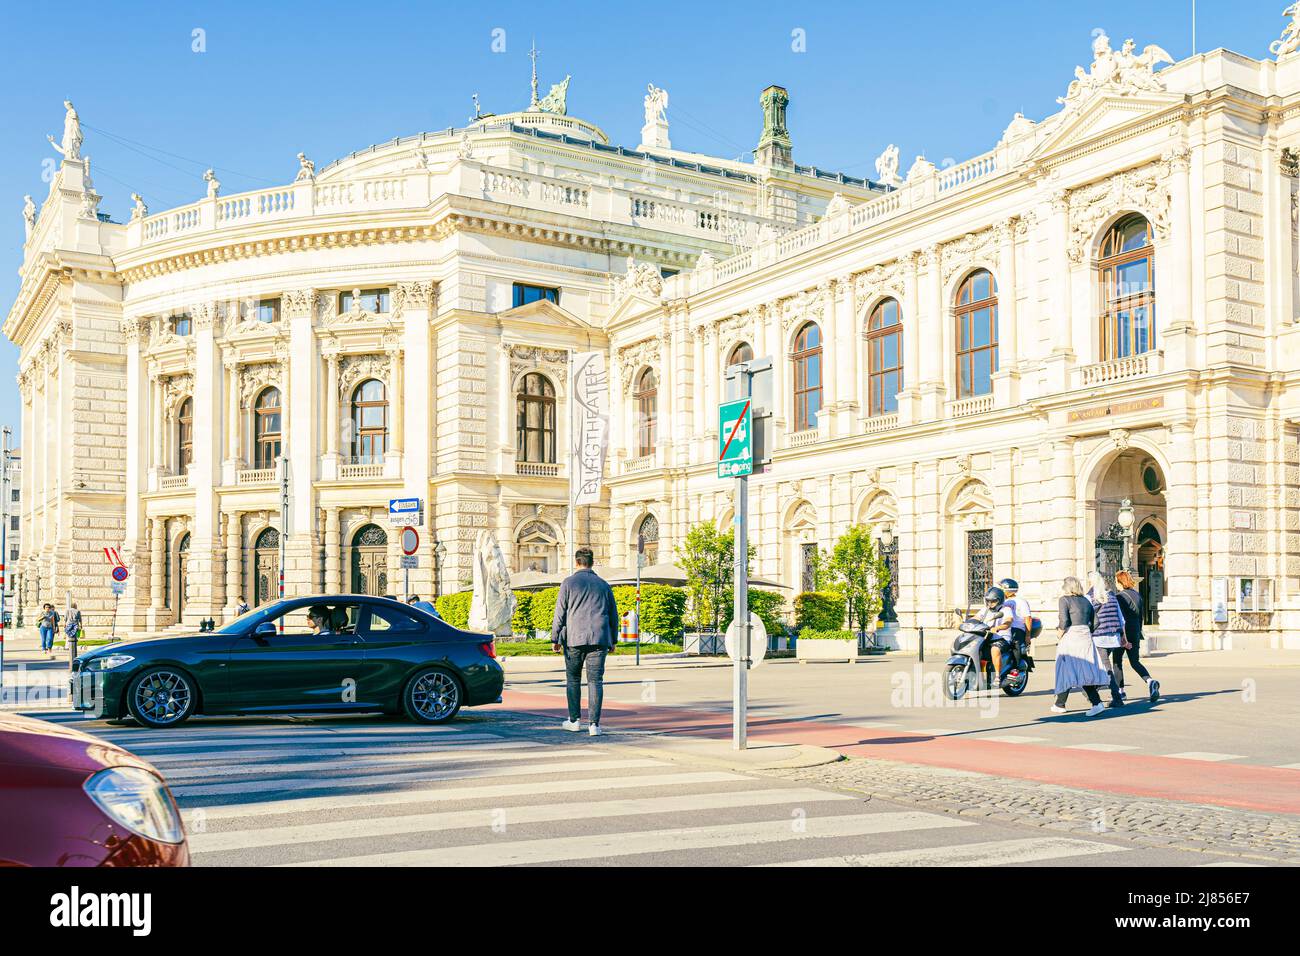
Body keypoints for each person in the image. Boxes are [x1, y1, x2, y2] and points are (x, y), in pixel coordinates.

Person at [551, 547, 619, 736]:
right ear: (592, 562)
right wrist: (613, 639)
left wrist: (555, 637)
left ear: (576, 562)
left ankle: (574, 721)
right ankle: (594, 725)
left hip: (574, 639)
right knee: (595, 681)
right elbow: (613, 615)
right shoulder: (604, 585)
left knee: (573, 679)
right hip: (599, 639)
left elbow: (560, 612)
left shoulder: (568, 583)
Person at [1052, 576, 1111, 716]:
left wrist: (1059, 633)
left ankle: (1096, 703)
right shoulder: (1086, 600)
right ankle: (1059, 703)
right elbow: (1096, 622)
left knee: (1066, 668)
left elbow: (1064, 620)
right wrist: (1087, 631)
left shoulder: (1064, 600)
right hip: (1086, 637)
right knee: (1082, 670)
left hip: (1071, 636)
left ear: (1067, 587)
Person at [1114, 569, 1160, 702]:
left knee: (1117, 662)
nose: (1116, 583)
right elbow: (1140, 617)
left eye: (1116, 581)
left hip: (1124, 632)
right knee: (1134, 662)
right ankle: (1150, 681)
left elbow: (1120, 618)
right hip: (1135, 631)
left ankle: (1121, 692)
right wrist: (1138, 632)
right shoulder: (1137, 595)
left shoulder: (1119, 597)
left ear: (1120, 581)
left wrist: (1122, 636)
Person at [1088, 572, 1127, 708]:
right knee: (1101, 665)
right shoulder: (1111, 596)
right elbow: (1121, 619)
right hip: (1113, 637)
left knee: (1106, 667)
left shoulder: (1090, 597)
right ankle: (1090, 691)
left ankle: (1117, 698)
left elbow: (1088, 618)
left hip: (1099, 636)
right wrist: (1123, 637)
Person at [975, 586, 1014, 686]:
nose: (990, 604)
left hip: (1002, 637)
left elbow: (1008, 622)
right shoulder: (985, 610)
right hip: (987, 637)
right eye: (988, 601)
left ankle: (997, 677)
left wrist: (998, 628)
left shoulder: (1006, 609)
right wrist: (965, 623)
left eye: (993, 601)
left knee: (995, 649)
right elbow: (975, 618)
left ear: (999, 601)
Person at [998, 577, 1033, 680]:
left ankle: (1016, 668)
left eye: (1001, 588)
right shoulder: (1000, 601)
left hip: (1016, 628)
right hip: (1003, 627)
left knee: (1015, 643)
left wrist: (1027, 635)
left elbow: (1028, 618)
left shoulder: (1021, 601)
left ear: (1007, 589)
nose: (1000, 590)